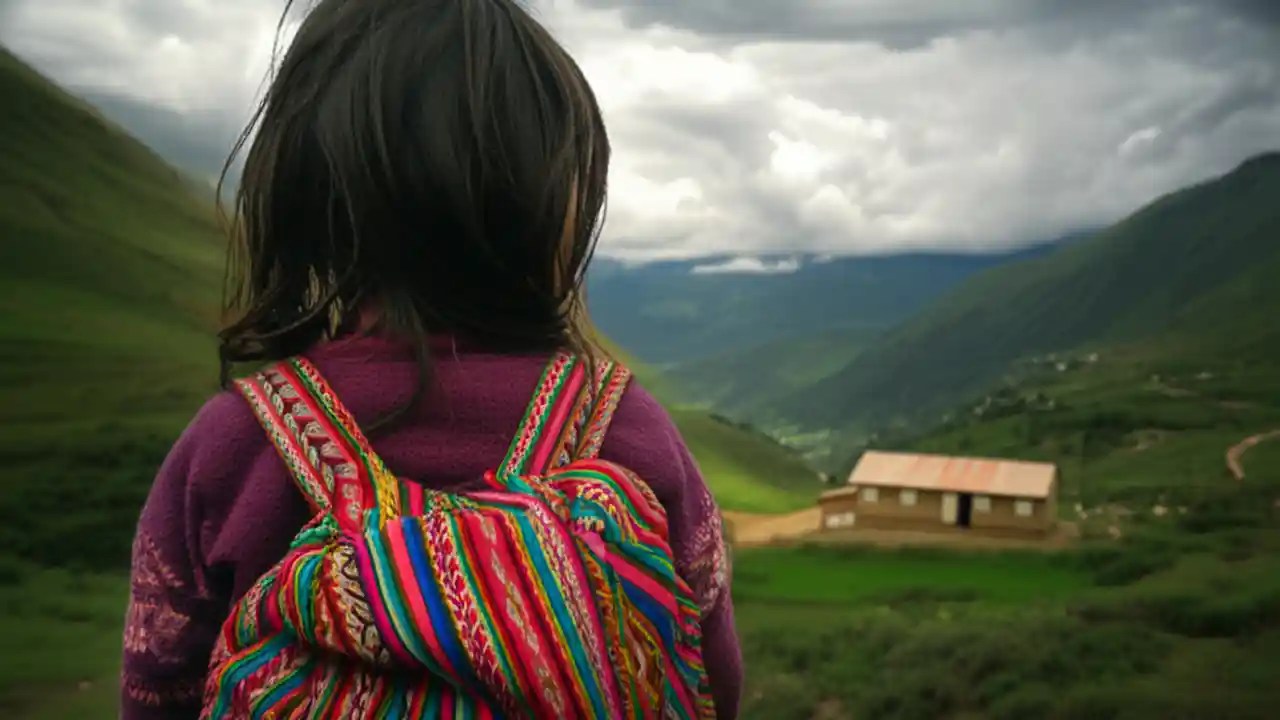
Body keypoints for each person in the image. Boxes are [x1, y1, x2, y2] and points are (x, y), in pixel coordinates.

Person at [119, 0, 742, 717]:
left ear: (306, 195)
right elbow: (705, 682)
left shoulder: (236, 442)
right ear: (559, 205)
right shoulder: (625, 428)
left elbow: (156, 695)